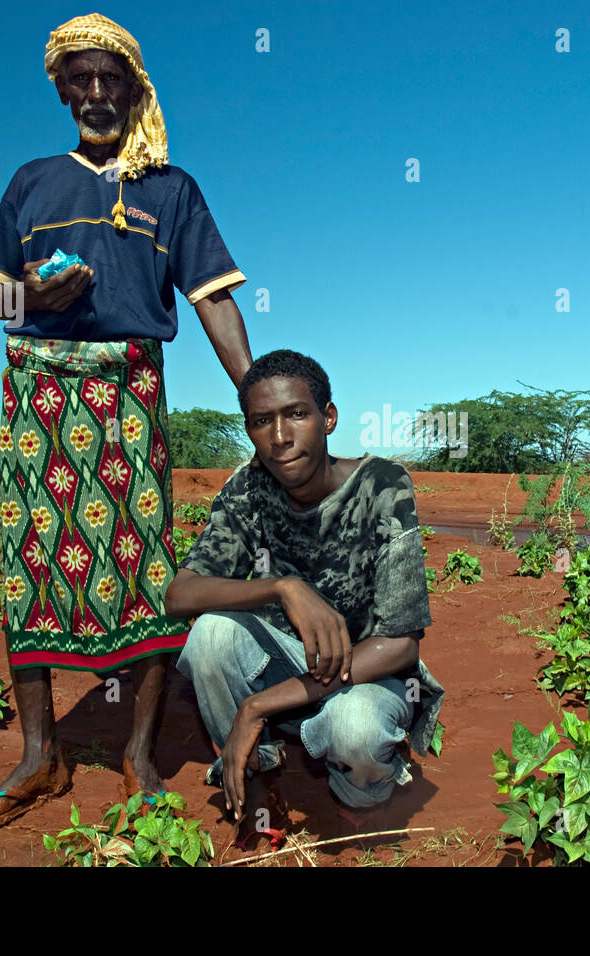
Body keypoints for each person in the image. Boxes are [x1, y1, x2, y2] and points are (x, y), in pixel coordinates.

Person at [0, 13, 253, 830]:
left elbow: (214, 299)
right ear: (61, 89)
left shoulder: (171, 187)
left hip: (128, 394)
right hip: (39, 398)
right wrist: (32, 297)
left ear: (133, 89)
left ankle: (137, 756)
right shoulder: (30, 181)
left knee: (147, 571)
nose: (96, 93)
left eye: (110, 79)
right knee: (34, 562)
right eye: (80, 79)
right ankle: (39, 755)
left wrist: (255, 395)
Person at [164, 350, 445, 837]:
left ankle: (362, 797)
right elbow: (180, 594)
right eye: (261, 421)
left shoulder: (382, 486)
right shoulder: (248, 489)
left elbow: (401, 644)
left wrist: (257, 706)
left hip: (367, 674)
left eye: (296, 414)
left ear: (328, 417)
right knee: (210, 634)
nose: (280, 437)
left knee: (354, 727)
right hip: (291, 663)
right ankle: (258, 779)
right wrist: (282, 587)